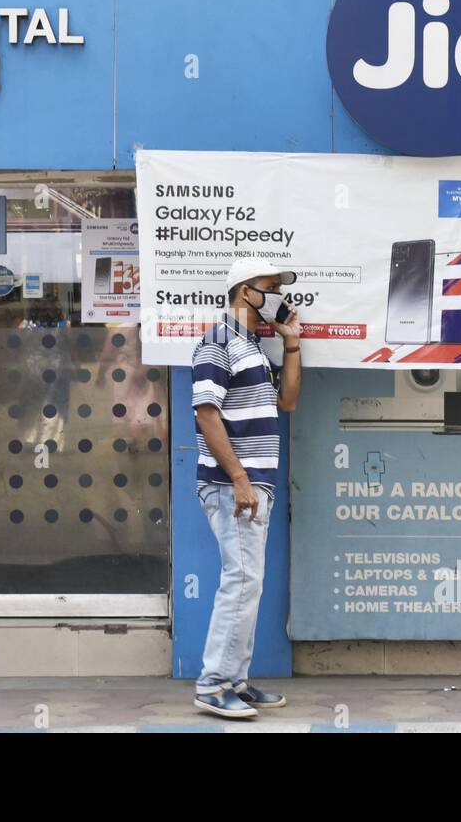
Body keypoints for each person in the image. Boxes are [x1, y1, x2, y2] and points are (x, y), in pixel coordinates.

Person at [190, 257, 302, 719]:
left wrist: (292, 346)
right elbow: (206, 413)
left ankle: (235, 679)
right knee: (240, 581)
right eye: (268, 287)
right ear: (244, 291)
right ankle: (214, 685)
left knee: (247, 582)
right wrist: (238, 478)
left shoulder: (251, 346)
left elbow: (287, 403)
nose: (274, 296)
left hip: (256, 483)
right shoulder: (217, 342)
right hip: (233, 484)